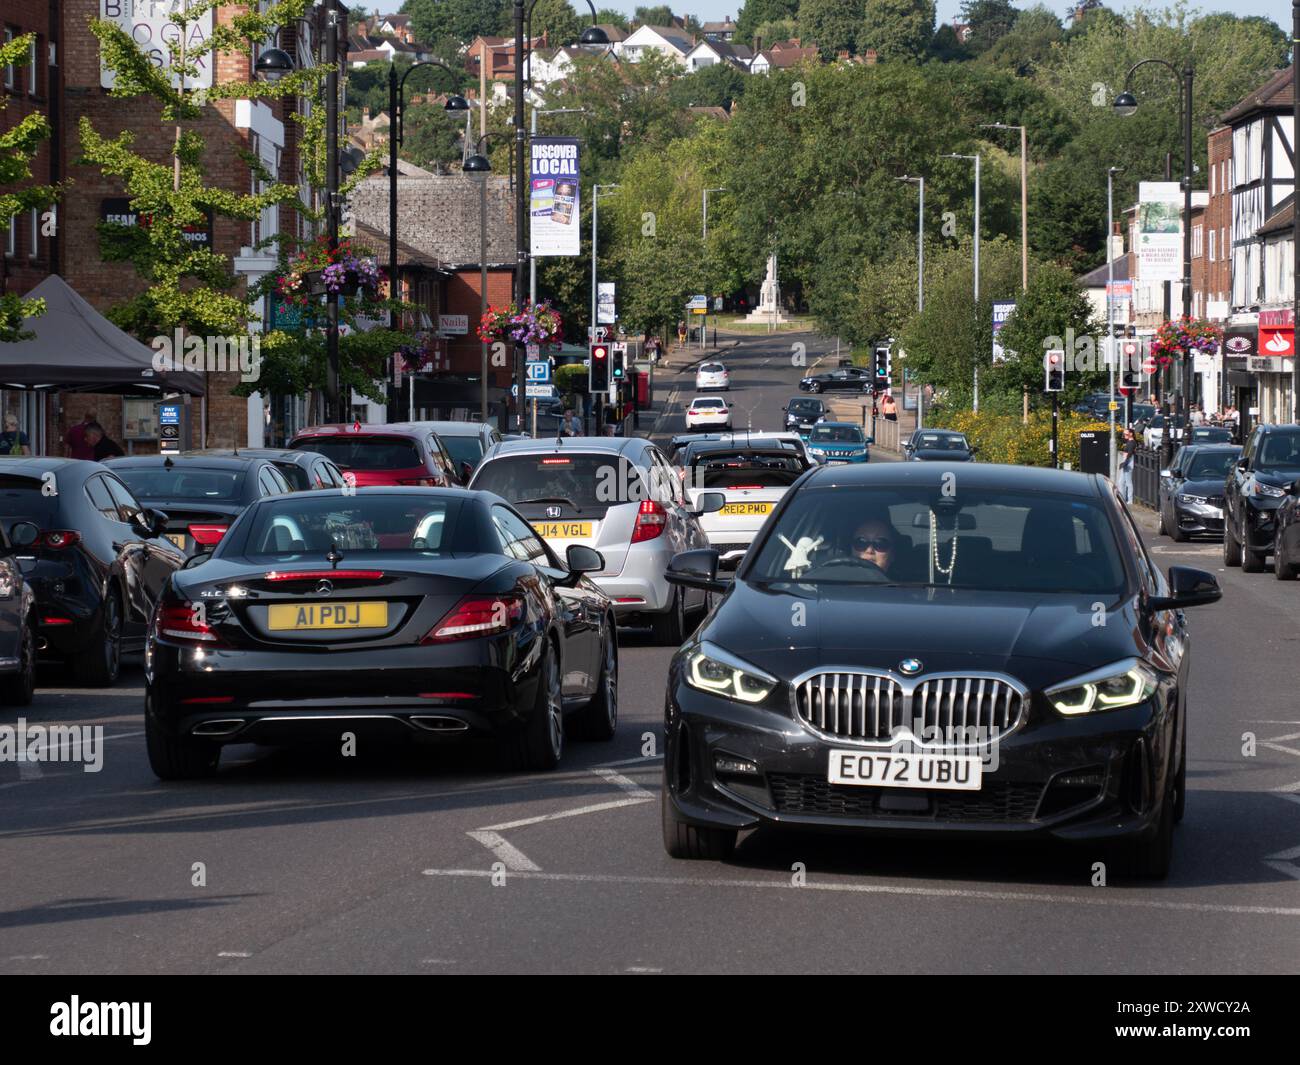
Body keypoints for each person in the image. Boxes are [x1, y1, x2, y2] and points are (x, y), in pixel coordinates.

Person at [1118, 428, 1137, 504]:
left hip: (1128, 464)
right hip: (1126, 462)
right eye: (1124, 434)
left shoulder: (1132, 443)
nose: (1124, 436)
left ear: (1131, 434)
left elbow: (1130, 453)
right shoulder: (1129, 442)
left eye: (1126, 434)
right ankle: (1122, 498)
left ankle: (1130, 500)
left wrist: (1125, 462)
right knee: (1121, 482)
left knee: (1128, 482)